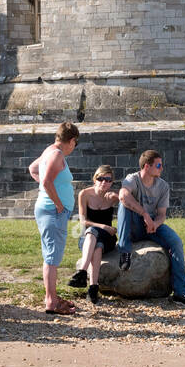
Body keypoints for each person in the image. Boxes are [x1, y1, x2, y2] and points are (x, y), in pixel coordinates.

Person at [116, 150, 185, 306]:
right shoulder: (132, 179)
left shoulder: (163, 186)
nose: (161, 168)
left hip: (151, 226)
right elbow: (123, 195)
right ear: (147, 166)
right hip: (133, 223)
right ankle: (125, 251)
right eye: (158, 165)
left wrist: (155, 224)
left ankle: (180, 292)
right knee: (123, 204)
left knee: (176, 242)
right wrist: (144, 213)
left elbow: (162, 214)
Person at [29, 121, 79, 315]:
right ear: (72, 140)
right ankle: (50, 301)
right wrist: (58, 203)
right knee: (52, 257)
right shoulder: (57, 154)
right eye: (75, 143)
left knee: (51, 253)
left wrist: (47, 188)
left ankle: (52, 295)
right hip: (53, 211)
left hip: (49, 209)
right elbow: (47, 180)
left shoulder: (49, 151)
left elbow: (33, 169)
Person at [68, 165, 119, 304]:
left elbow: (132, 202)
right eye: (101, 178)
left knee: (97, 240)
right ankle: (93, 288)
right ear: (95, 179)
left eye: (108, 180)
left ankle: (82, 273)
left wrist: (118, 196)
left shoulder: (112, 196)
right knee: (96, 242)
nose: (104, 182)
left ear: (111, 182)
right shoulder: (84, 194)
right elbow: (83, 221)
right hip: (87, 238)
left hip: (108, 237)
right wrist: (102, 226)